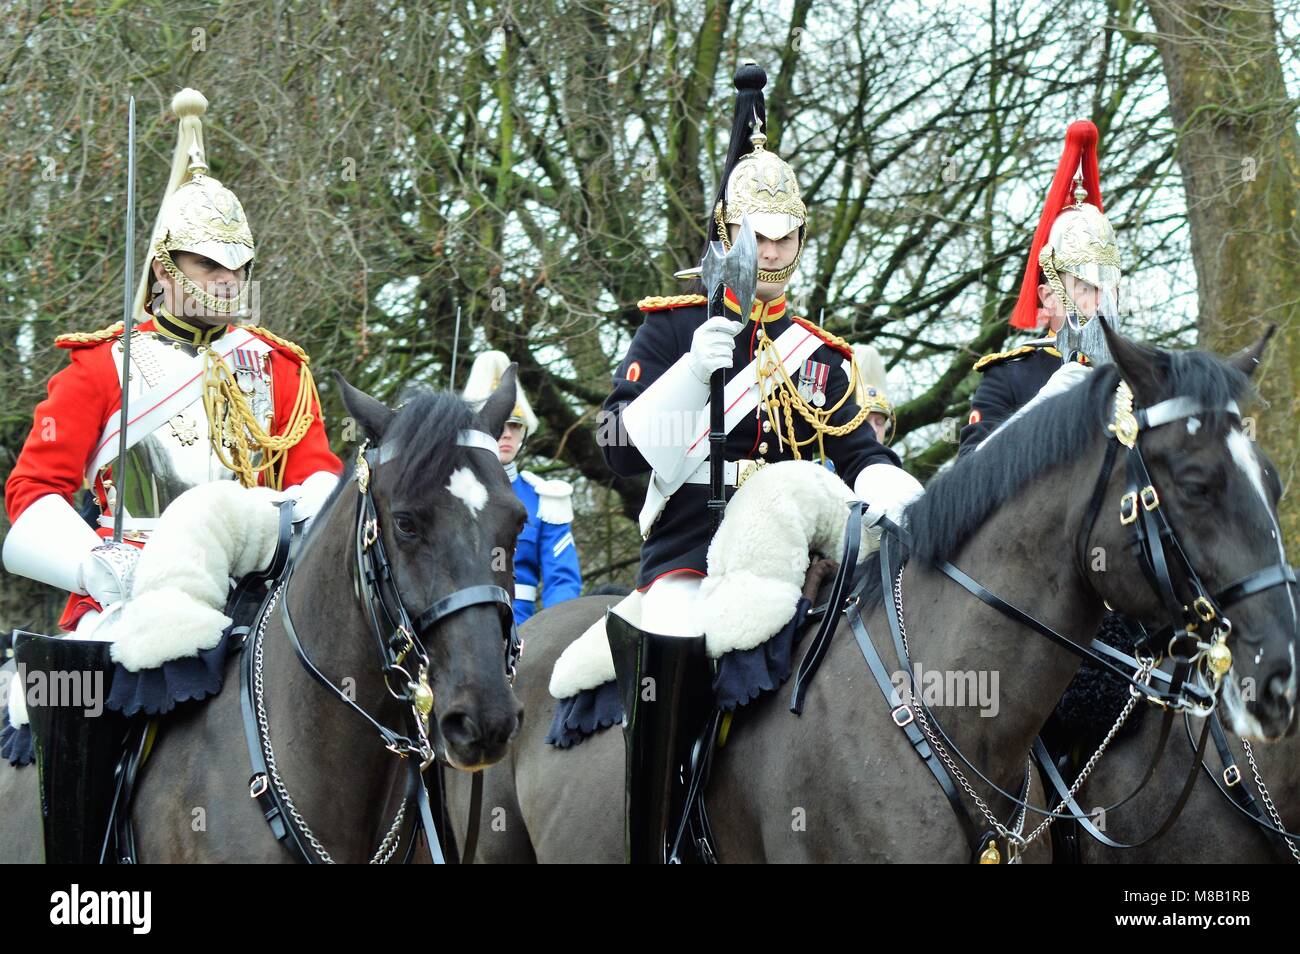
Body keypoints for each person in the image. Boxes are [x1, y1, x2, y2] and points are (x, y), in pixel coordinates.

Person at [1, 89, 342, 861]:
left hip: (254, 594)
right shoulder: (101, 366)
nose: (227, 280)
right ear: (164, 266)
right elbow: (30, 499)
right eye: (207, 264)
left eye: (239, 267)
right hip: (131, 593)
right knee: (77, 708)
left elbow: (320, 481)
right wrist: (99, 560)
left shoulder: (282, 371)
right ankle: (81, 881)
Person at [599, 62, 922, 861]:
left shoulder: (823, 355)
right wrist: (692, 374)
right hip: (689, 551)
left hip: (798, 557)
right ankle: (659, 840)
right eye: (757, 236)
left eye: (785, 237)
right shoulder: (674, 329)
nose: (772, 252)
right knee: (670, 653)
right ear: (726, 236)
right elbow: (612, 450)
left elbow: (862, 455)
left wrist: (915, 505)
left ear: (802, 241)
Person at [959, 120, 1121, 454]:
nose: (1102, 301)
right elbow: (971, 472)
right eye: (1086, 287)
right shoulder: (1009, 377)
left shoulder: (1139, 375)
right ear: (1048, 297)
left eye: (1108, 287)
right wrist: (1042, 408)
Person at [462, 351, 582, 626]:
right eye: (498, 425)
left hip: (524, 630)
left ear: (524, 432)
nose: (506, 433)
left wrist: (553, 631)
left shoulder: (545, 499)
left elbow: (562, 582)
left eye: (515, 425)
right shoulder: (448, 492)